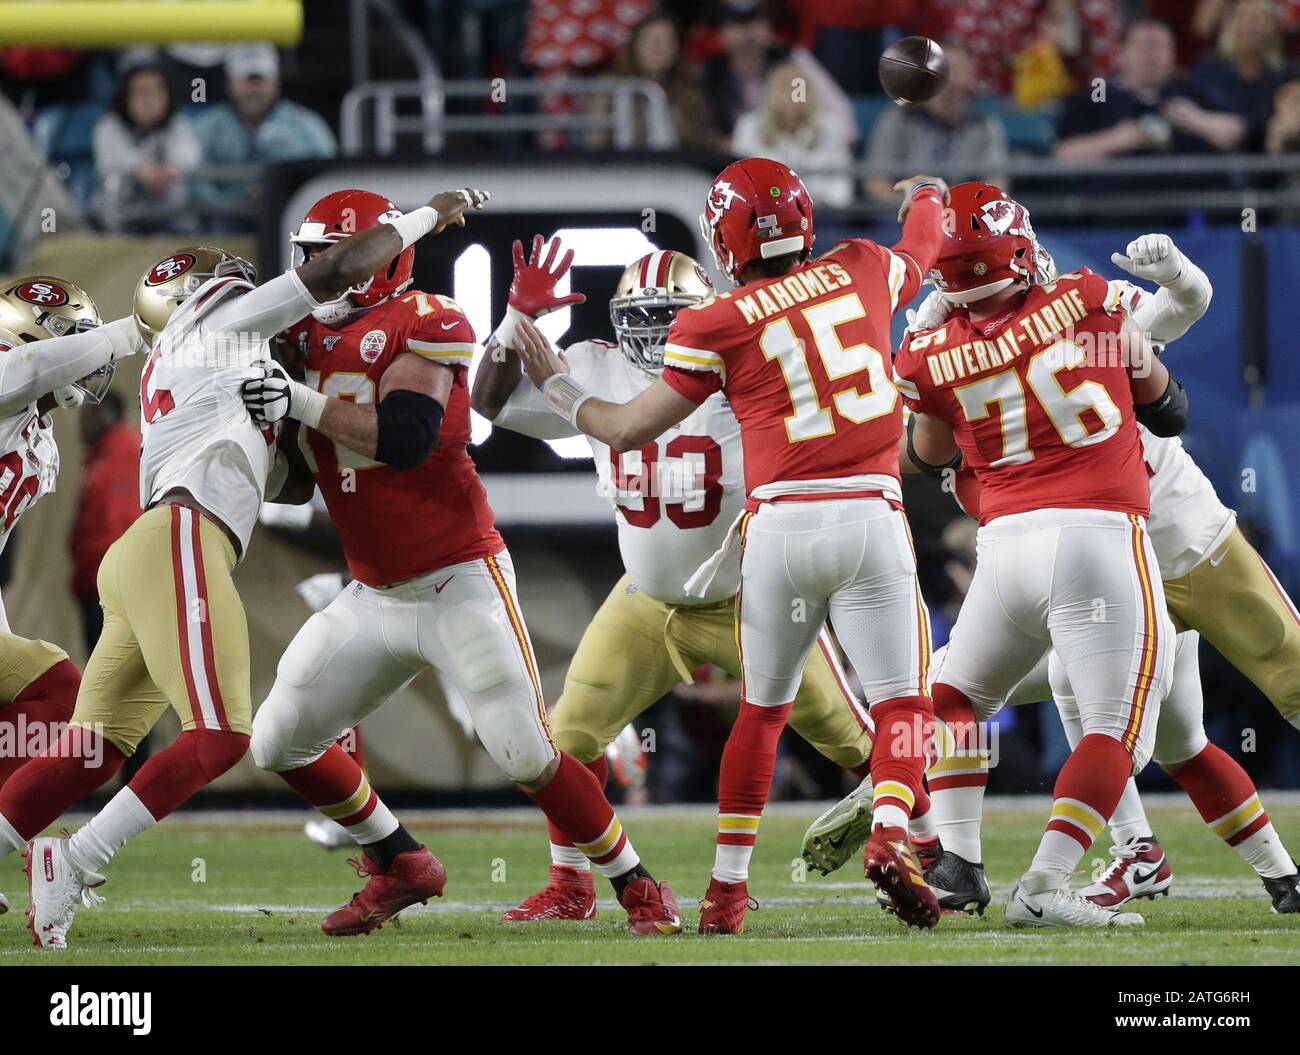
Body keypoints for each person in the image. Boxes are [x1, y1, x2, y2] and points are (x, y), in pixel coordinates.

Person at [5, 186, 487, 949]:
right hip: (181, 540)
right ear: (193, 297)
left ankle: (397, 856)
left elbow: (290, 482)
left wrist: (291, 400)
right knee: (223, 734)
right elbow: (334, 272)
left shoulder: (208, 370)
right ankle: (76, 859)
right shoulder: (218, 322)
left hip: (153, 548)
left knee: (91, 747)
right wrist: (428, 213)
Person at [510, 158, 949, 931]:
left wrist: (555, 386)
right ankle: (904, 833)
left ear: (723, 238)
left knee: (761, 714)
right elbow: (923, 246)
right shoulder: (861, 266)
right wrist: (928, 197)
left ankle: (725, 893)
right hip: (871, 517)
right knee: (904, 708)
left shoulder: (715, 323)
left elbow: (622, 426)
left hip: (774, 535)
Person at [238, 190, 683, 938]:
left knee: (525, 752)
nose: (317, 269)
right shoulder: (303, 338)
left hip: (457, 579)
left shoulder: (430, 318)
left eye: (332, 253)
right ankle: (401, 860)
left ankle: (638, 886)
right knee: (277, 739)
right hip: (374, 591)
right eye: (309, 255)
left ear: (384, 257)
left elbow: (406, 437)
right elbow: (302, 480)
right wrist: (265, 432)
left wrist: (298, 404)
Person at [472, 237, 875, 923]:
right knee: (564, 739)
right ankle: (572, 884)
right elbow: (488, 401)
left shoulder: (747, 368)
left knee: (854, 741)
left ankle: (929, 843)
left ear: (707, 313)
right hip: (646, 599)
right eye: (642, 316)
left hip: (752, 598)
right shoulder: (597, 366)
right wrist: (514, 322)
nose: (655, 333)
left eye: (670, 316)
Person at [894, 182, 1189, 928]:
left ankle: (931, 833)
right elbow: (1167, 405)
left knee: (954, 697)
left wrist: (944, 348)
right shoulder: (1091, 299)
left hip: (1005, 550)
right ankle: (1046, 884)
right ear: (1018, 249)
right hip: (1095, 535)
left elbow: (926, 456)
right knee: (1118, 729)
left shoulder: (926, 351)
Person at [0, 275, 144, 918]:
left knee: (52, 696)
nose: (92, 358)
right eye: (76, 341)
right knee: (60, 692)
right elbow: (28, 362)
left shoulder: (35, 428)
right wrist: (136, 329)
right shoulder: (10, 375)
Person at [1055, 19, 1247, 162]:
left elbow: (1236, 133)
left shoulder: (1190, 90)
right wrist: (1115, 140)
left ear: (1173, 56)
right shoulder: (1096, 97)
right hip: (1116, 205)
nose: (1151, 53)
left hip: (1188, 201)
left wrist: (1197, 120)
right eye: (1142, 45)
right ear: (1121, 55)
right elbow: (1063, 155)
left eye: (1160, 46)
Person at [191, 45, 336, 214]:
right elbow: (193, 182)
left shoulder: (307, 126)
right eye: (246, 82)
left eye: (260, 81)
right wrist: (234, 206)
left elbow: (327, 178)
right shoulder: (207, 126)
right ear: (230, 83)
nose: (254, 91)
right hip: (221, 223)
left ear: (276, 82)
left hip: (291, 219)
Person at [864, 40, 1009, 204]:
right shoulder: (898, 119)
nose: (949, 78)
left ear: (970, 76)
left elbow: (997, 185)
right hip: (904, 216)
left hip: (963, 220)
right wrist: (914, 208)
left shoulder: (983, 125)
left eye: (956, 69)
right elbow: (876, 182)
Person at [69, 392, 140, 653]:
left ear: (105, 414)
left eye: (86, 414)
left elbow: (118, 526)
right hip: (100, 588)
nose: (81, 423)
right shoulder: (103, 457)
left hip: (110, 593)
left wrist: (97, 580)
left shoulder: (121, 456)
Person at [589, 13, 723, 151]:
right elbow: (597, 141)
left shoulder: (689, 89)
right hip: (622, 167)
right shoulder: (611, 86)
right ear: (636, 45)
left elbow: (699, 139)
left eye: (668, 42)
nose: (660, 49)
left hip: (679, 167)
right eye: (654, 41)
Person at [92, 63, 200, 233]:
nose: (148, 100)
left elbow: (188, 156)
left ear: (168, 96)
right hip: (122, 217)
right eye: (141, 92)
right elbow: (114, 158)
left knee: (182, 185)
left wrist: (171, 169)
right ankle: (113, 241)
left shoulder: (178, 124)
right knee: (114, 180)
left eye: (156, 92)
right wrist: (141, 169)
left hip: (168, 213)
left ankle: (181, 240)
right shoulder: (109, 125)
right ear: (125, 97)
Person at [732, 60, 856, 207]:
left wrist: (810, 202)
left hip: (821, 215)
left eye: (799, 87)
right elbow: (739, 186)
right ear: (770, 92)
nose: (792, 94)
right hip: (764, 217)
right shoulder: (748, 127)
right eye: (784, 86)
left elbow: (842, 188)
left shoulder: (831, 127)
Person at [1192, 0, 1287, 149]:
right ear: (1231, 25)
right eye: (1248, 19)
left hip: (1263, 159)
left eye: (1264, 20)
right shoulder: (1210, 68)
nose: (1256, 27)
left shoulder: (1280, 74)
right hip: (1212, 155)